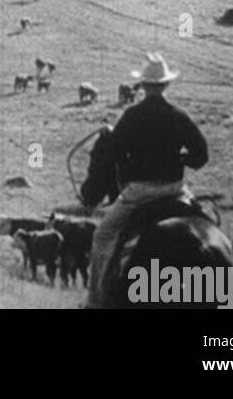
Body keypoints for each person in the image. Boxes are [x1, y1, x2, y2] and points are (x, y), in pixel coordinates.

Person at [85, 53, 209, 308]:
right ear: (165, 85)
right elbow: (201, 156)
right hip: (176, 191)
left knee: (102, 235)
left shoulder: (132, 116)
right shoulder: (179, 115)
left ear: (142, 86)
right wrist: (180, 160)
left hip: (139, 194)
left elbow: (112, 155)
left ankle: (95, 302)